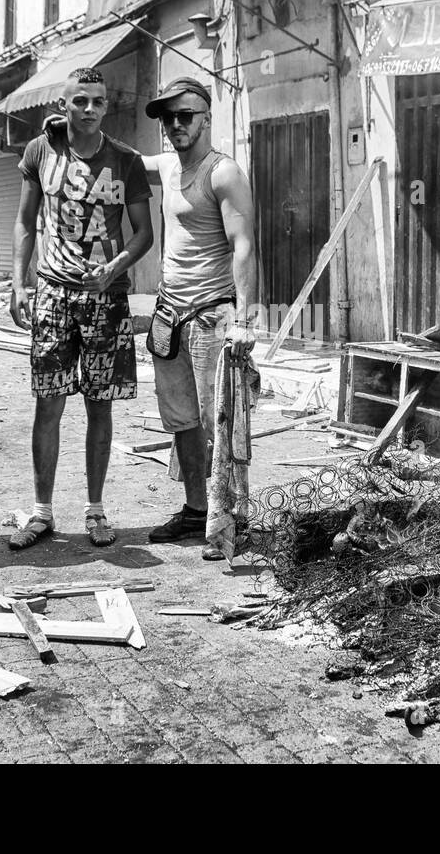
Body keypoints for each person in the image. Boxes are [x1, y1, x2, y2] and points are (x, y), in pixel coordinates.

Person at [8, 68, 153, 549]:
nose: (90, 109)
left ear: (106, 107)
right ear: (64, 104)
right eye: (81, 101)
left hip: (105, 299)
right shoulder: (41, 152)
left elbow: (143, 233)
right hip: (52, 293)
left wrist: (115, 267)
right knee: (48, 403)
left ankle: (95, 510)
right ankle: (42, 512)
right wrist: (18, 284)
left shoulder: (126, 161)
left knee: (99, 405)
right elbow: (26, 223)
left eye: (98, 101)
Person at [142, 77, 260, 560]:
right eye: (169, 118)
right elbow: (119, 159)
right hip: (170, 314)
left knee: (220, 422)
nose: (175, 125)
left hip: (213, 317)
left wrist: (245, 319)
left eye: (185, 115)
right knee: (183, 422)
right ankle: (195, 509)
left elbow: (244, 245)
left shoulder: (223, 173)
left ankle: (228, 521)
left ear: (207, 118)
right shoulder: (169, 166)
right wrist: (68, 134)